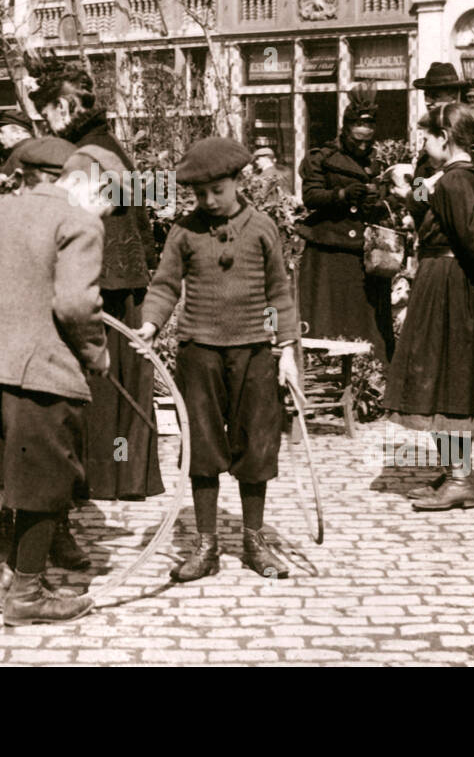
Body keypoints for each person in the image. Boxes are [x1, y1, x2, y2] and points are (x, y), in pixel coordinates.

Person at [0, 146, 123, 625]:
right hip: (43, 372)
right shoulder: (80, 222)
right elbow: (76, 306)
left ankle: (11, 576)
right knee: (44, 484)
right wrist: (96, 354)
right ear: (88, 186)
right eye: (107, 200)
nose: (105, 213)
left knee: (16, 479)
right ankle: (28, 597)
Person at [136, 137, 302, 581]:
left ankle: (254, 540)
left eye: (218, 191)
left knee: (256, 444)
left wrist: (286, 351)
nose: (209, 201)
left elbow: (279, 293)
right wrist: (151, 324)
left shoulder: (263, 227)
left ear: (237, 181)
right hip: (199, 353)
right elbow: (166, 284)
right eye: (200, 194)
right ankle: (206, 546)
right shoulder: (184, 232)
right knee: (202, 446)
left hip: (255, 353)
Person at [33, 65, 161, 567]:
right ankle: (118, 475)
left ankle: (93, 477)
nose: (44, 124)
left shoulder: (82, 157)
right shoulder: (110, 144)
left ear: (64, 109)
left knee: (95, 385)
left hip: (97, 281)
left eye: (46, 113)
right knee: (119, 387)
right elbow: (142, 212)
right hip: (124, 275)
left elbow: (70, 226)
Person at [383, 103, 474, 511]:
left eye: (427, 136)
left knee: (451, 379)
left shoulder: (456, 181)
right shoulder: (459, 178)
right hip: (447, 282)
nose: (423, 143)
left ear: (446, 138)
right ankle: (452, 469)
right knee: (443, 376)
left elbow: (472, 243)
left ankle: (460, 479)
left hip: (451, 285)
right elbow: (430, 203)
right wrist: (412, 192)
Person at [297, 87, 395, 361]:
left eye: (368, 139)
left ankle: (371, 375)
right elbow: (311, 196)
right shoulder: (322, 157)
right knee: (328, 318)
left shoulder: (378, 162)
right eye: (358, 140)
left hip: (367, 253)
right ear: (346, 130)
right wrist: (341, 195)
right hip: (330, 248)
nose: (363, 146)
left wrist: (380, 201)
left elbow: (402, 196)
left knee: (366, 320)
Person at [409, 62, 465, 227]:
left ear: (453, 96)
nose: (428, 101)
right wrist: (415, 199)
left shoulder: (461, 132)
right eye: (426, 95)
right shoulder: (429, 129)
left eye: (435, 95)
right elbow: (419, 188)